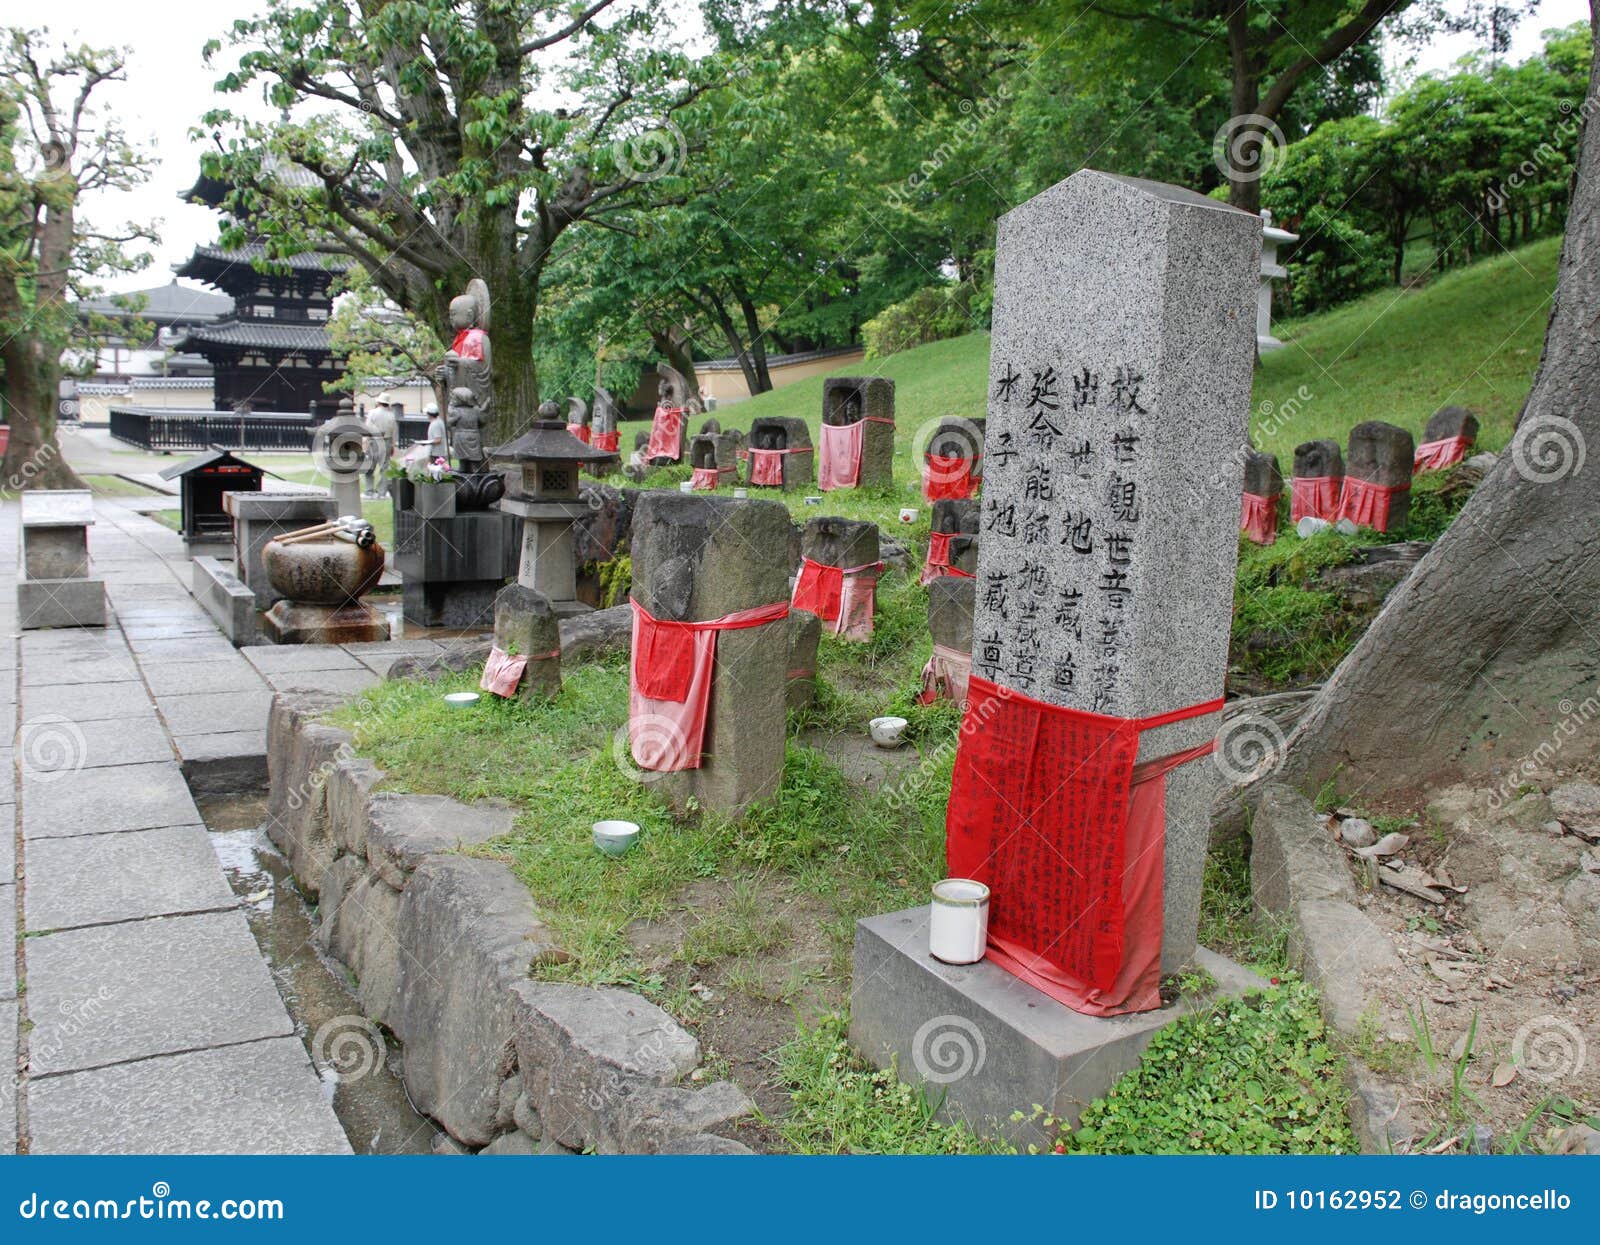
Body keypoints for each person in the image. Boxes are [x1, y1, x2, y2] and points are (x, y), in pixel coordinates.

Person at [363, 401, 398, 497]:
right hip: (386, 441)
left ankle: (369, 490)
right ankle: (381, 491)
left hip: (373, 441)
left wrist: (365, 442)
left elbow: (368, 428)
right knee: (384, 468)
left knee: (370, 467)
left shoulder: (372, 413)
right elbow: (394, 431)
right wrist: (393, 445)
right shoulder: (391, 415)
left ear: (379, 402)